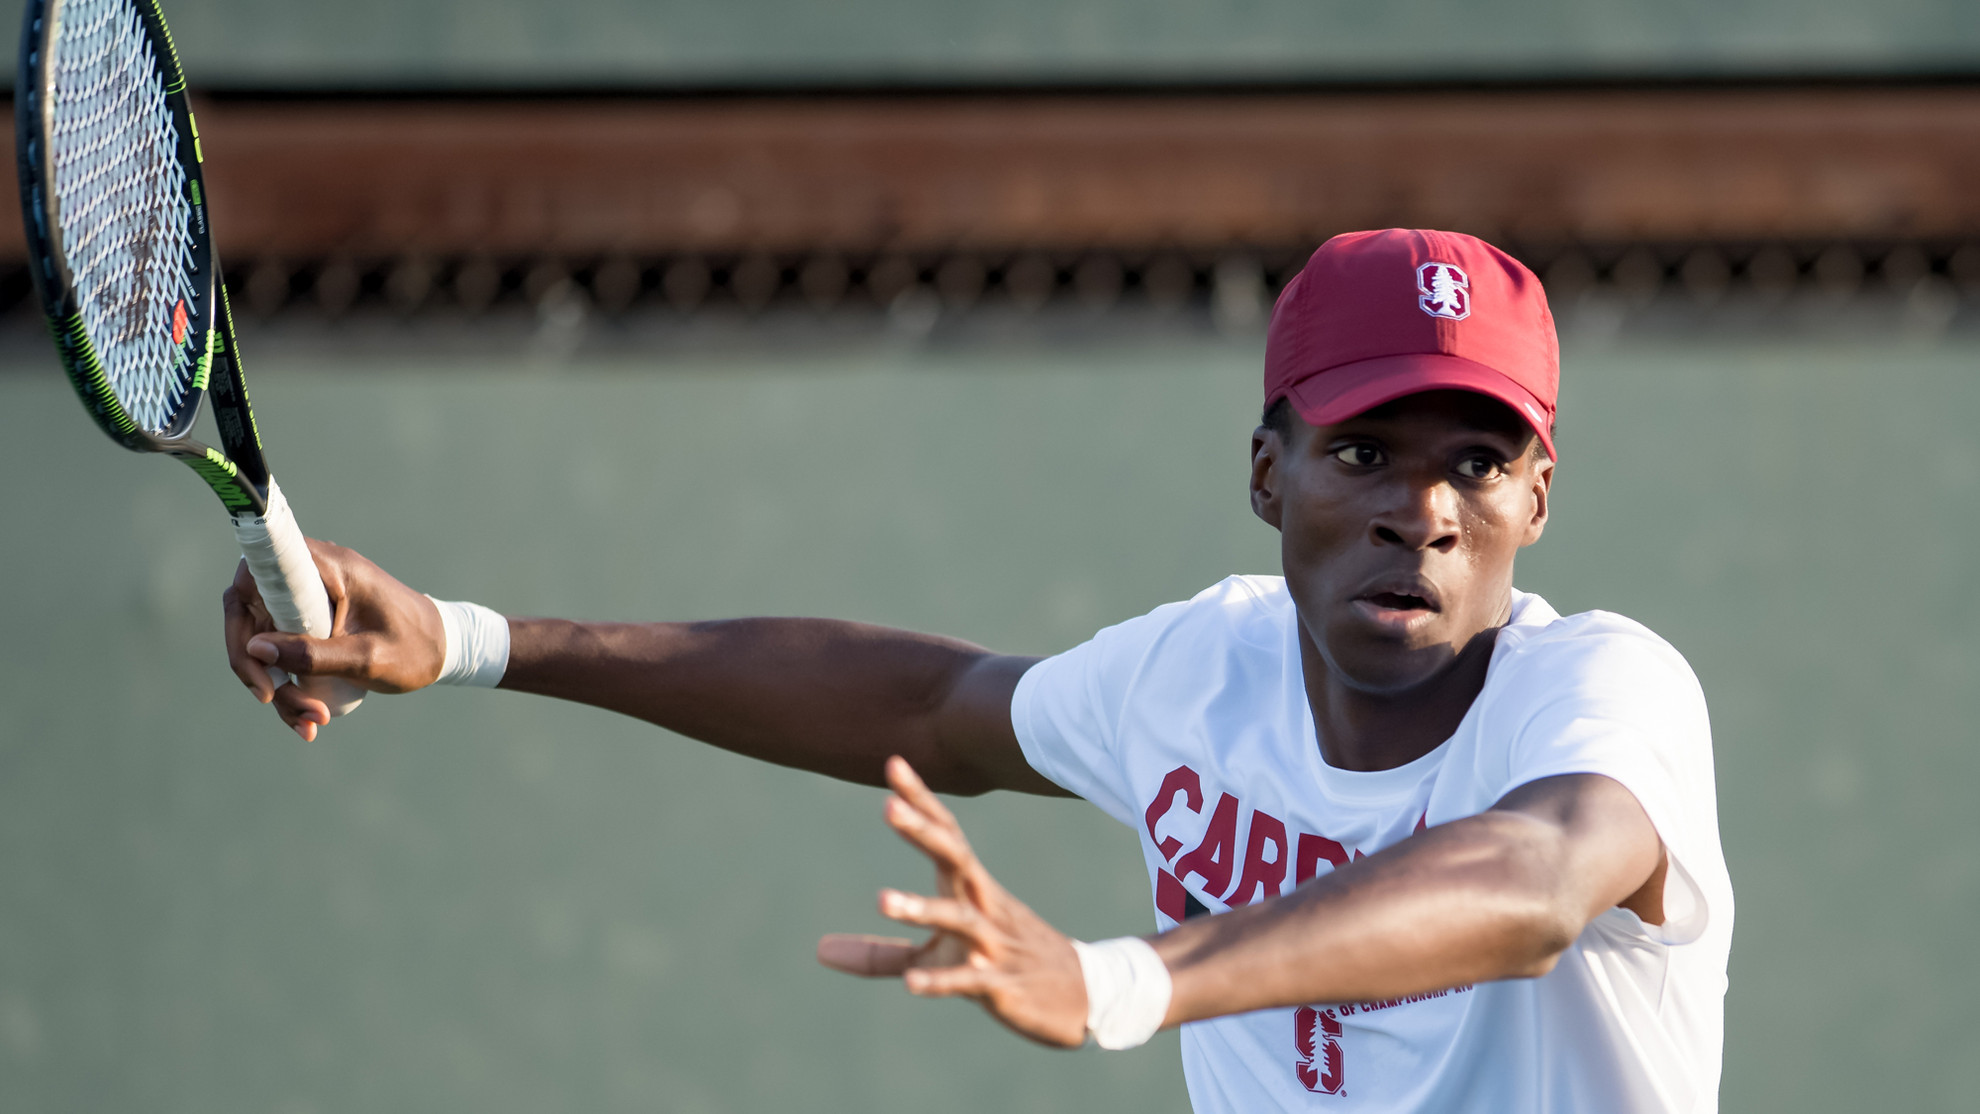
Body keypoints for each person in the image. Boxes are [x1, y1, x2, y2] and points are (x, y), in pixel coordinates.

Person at [221, 229, 1732, 1112]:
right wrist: (472, 640)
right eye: (1364, 453)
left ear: (1539, 499)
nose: (1427, 508)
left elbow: (1535, 885)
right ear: (1268, 476)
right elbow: (928, 707)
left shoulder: (1604, 693)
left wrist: (1125, 981)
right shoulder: (1199, 675)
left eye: (1480, 460)